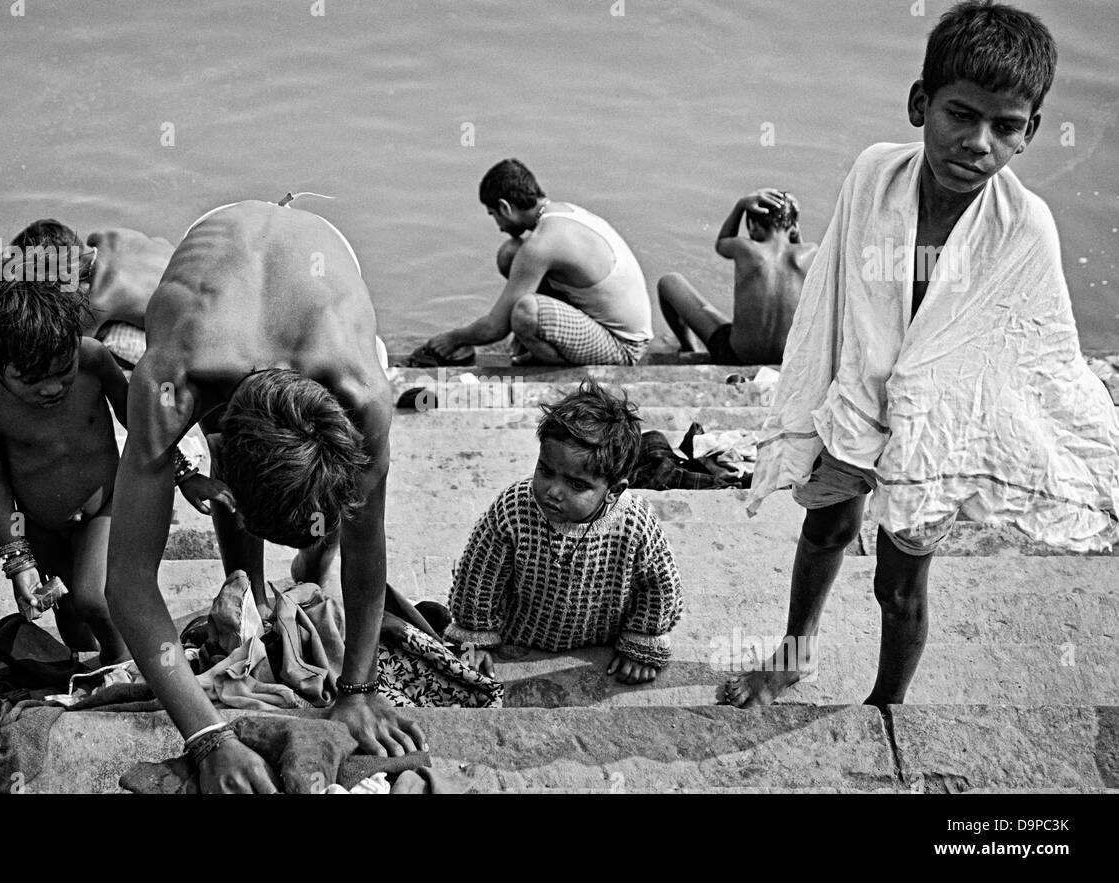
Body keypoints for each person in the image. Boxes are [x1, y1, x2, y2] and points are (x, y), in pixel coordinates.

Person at [720, 1, 1119, 709]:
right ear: (919, 103)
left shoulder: (1025, 227)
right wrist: (825, 402)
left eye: (1005, 127)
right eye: (960, 115)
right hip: (856, 399)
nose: (977, 144)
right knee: (825, 528)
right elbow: (837, 295)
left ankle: (886, 707)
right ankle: (791, 654)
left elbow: (1034, 349)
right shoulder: (875, 174)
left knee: (898, 586)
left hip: (937, 423)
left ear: (1029, 134)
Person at [105, 198, 425, 793]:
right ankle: (247, 588)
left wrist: (359, 690)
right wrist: (208, 738)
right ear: (222, 489)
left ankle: (308, 559)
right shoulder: (172, 383)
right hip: (217, 251)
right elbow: (126, 584)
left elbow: (367, 543)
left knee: (334, 508)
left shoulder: (363, 395)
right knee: (247, 493)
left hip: (324, 252)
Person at [0, 256, 131, 663]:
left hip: (104, 505)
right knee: (68, 610)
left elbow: (138, 423)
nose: (52, 389)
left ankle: (123, 670)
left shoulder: (95, 359)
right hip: (41, 527)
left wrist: (183, 471)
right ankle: (86, 665)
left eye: (62, 370)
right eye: (31, 380)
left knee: (93, 598)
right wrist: (18, 558)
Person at [445, 380, 684, 684]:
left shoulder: (635, 523)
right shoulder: (514, 509)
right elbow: (479, 576)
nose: (553, 491)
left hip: (602, 641)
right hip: (520, 637)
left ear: (614, 490)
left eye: (577, 484)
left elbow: (660, 586)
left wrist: (641, 642)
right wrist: (474, 639)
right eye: (545, 471)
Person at [422, 159, 653, 366]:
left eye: (494, 215)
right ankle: (547, 343)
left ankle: (552, 365)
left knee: (526, 313)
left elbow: (496, 328)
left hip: (623, 346)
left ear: (505, 207)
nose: (499, 227)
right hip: (614, 323)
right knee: (510, 254)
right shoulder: (564, 211)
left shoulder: (541, 245)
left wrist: (453, 338)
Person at [658, 189, 817, 364]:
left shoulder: (745, 248)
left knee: (669, 282)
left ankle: (688, 347)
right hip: (786, 358)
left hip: (735, 357)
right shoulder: (811, 253)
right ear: (794, 228)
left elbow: (722, 242)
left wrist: (740, 205)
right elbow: (801, 259)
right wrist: (793, 220)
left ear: (753, 226)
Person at [10, 219, 175, 365]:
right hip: (187, 272)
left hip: (186, 329)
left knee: (94, 343)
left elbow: (73, 351)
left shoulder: (99, 300)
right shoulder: (106, 235)